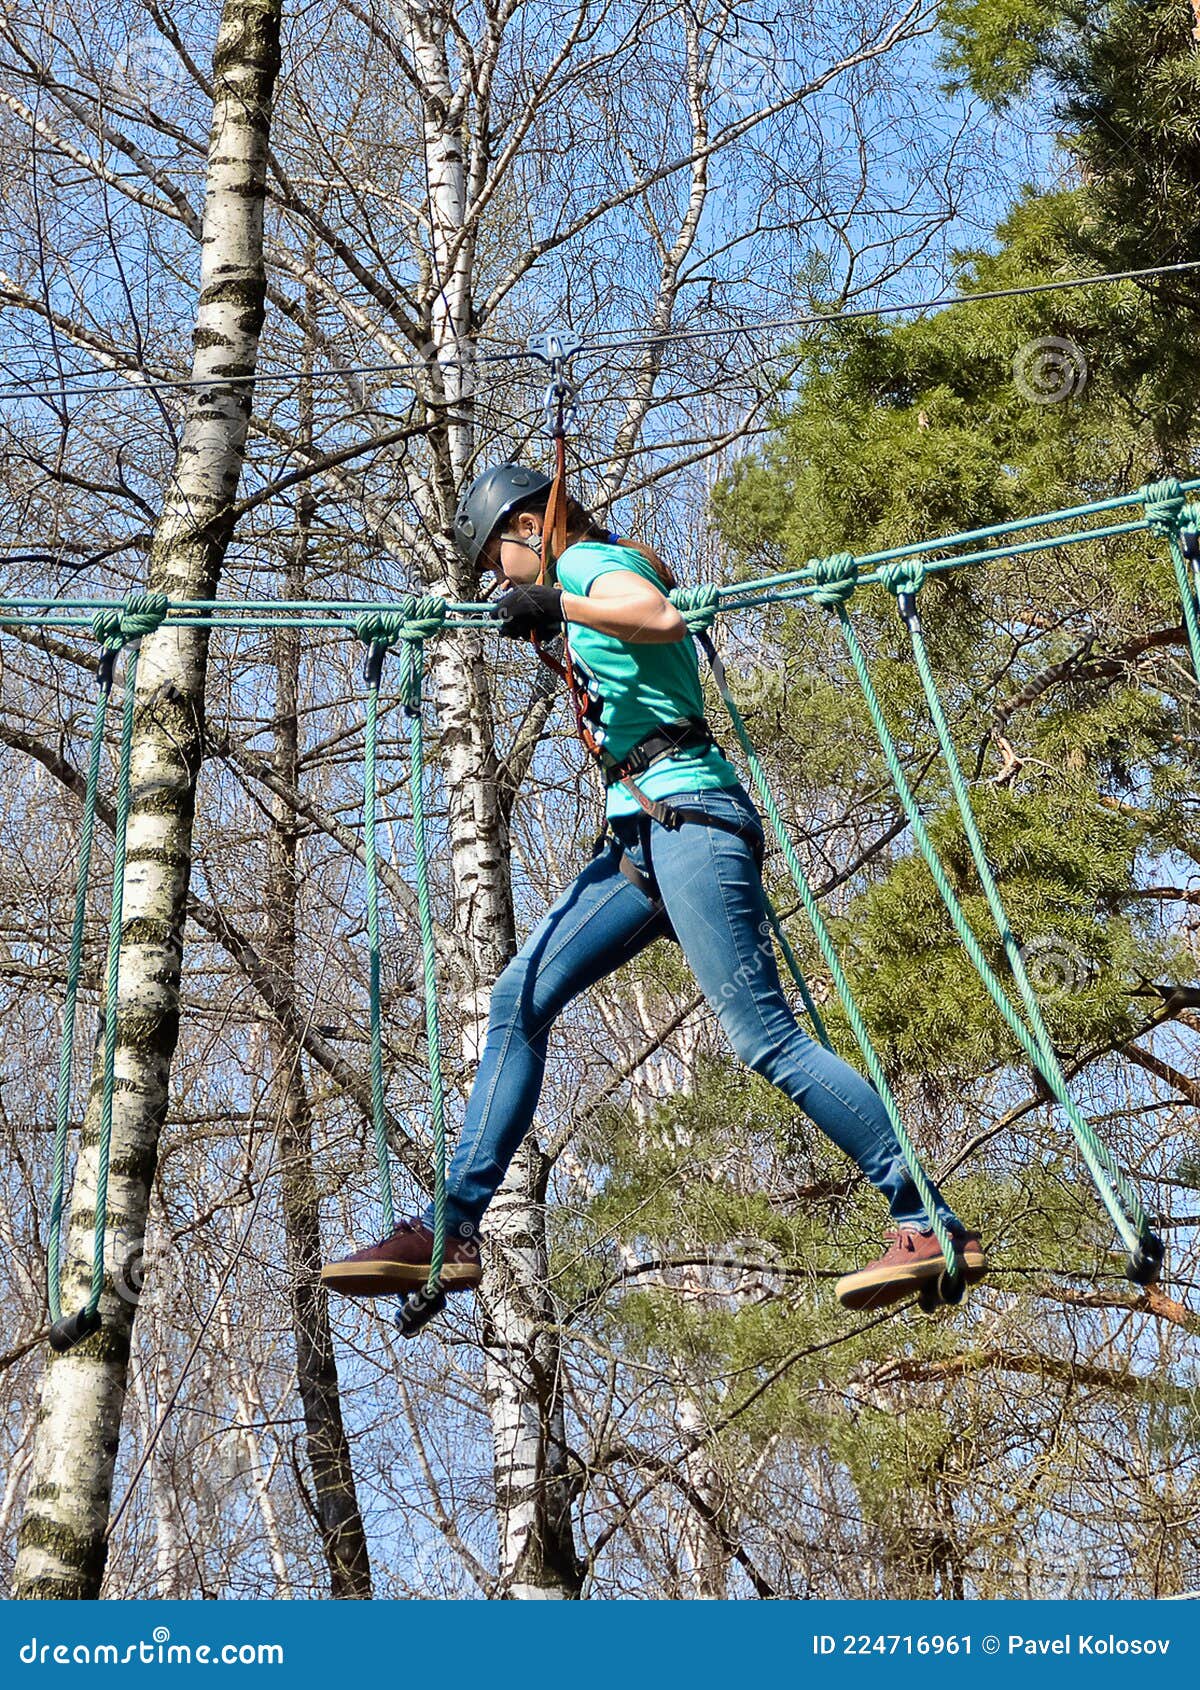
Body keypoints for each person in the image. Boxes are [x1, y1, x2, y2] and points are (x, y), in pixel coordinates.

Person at [322, 464, 986, 1312]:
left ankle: (926, 1218)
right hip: (641, 842)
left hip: (691, 821)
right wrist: (557, 619)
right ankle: (450, 1229)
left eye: (496, 561)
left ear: (528, 527)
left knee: (764, 1038)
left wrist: (560, 601)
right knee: (518, 999)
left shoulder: (586, 564)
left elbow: (658, 614)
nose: (496, 579)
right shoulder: (580, 578)